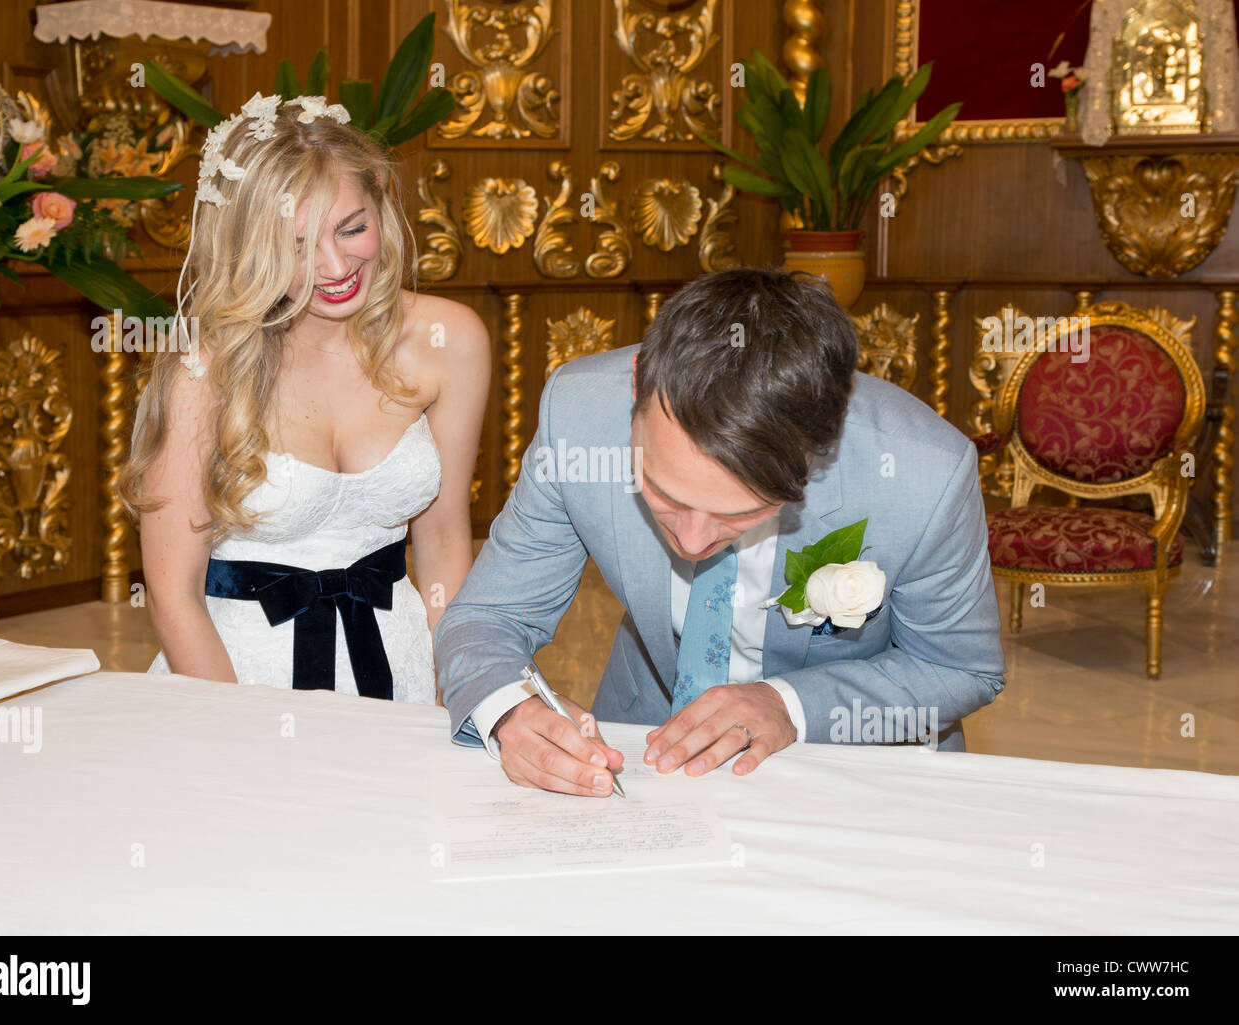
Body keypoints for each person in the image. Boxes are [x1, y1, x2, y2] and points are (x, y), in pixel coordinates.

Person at [435, 266, 1005, 795]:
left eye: (739, 513)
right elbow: (490, 614)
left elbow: (959, 668)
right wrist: (509, 708)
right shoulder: (578, 416)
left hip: (858, 774)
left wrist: (789, 706)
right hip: (640, 745)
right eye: (663, 493)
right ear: (637, 386)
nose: (689, 542)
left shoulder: (923, 473)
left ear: (819, 450)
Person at [119, 94, 489, 702]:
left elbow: (446, 541)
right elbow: (172, 595)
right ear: (249, 247)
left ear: (379, 199)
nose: (335, 265)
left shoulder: (450, 342)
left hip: (402, 669)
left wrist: (458, 693)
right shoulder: (204, 372)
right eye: (295, 246)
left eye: (352, 228)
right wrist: (242, 734)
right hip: (235, 680)